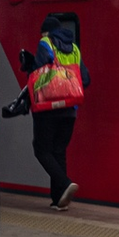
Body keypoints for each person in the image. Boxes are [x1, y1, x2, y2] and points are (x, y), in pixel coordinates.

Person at [20, 16, 90, 211]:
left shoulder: (46, 43)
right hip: (70, 110)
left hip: (48, 108)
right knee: (59, 151)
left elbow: (39, 73)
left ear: (47, 32)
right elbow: (85, 78)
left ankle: (65, 183)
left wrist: (30, 65)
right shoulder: (74, 48)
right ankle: (59, 199)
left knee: (41, 149)